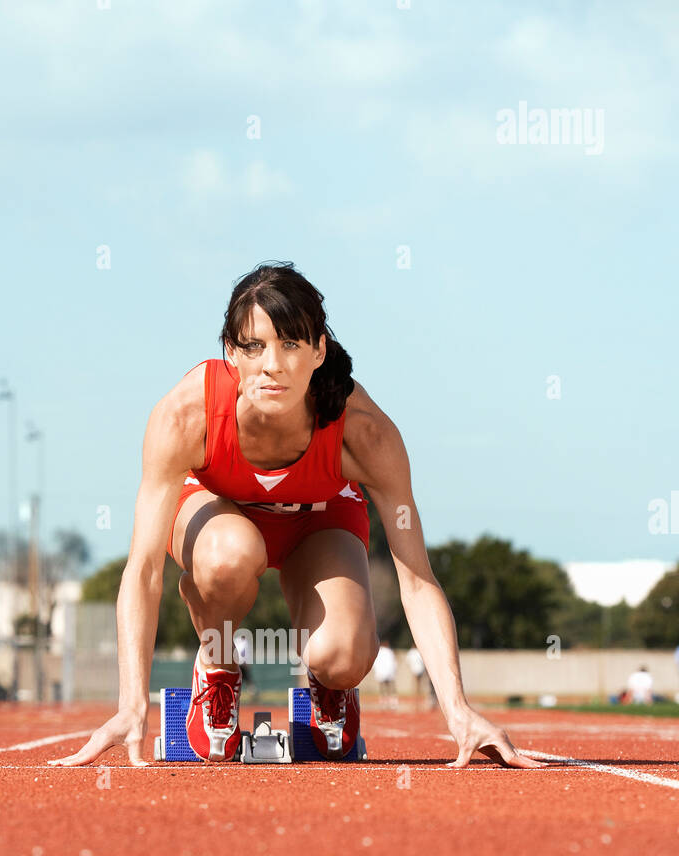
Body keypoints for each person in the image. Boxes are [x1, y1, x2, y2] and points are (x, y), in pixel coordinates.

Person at [49, 262, 544, 770]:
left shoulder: (366, 434)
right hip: (217, 516)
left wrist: (459, 712)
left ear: (318, 351)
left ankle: (329, 688)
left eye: (290, 344)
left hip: (318, 521)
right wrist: (131, 704)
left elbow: (417, 580)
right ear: (230, 354)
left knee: (345, 655)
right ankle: (217, 669)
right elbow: (145, 569)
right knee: (229, 555)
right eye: (254, 346)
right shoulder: (185, 417)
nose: (273, 365)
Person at [372, 640, 398, 707]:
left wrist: (377, 672)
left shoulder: (379, 652)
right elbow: (393, 662)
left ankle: (383, 701)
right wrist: (393, 671)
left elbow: (375, 663)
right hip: (389, 672)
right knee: (390, 687)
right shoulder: (389, 652)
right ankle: (392, 701)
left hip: (381, 672)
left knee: (382, 687)